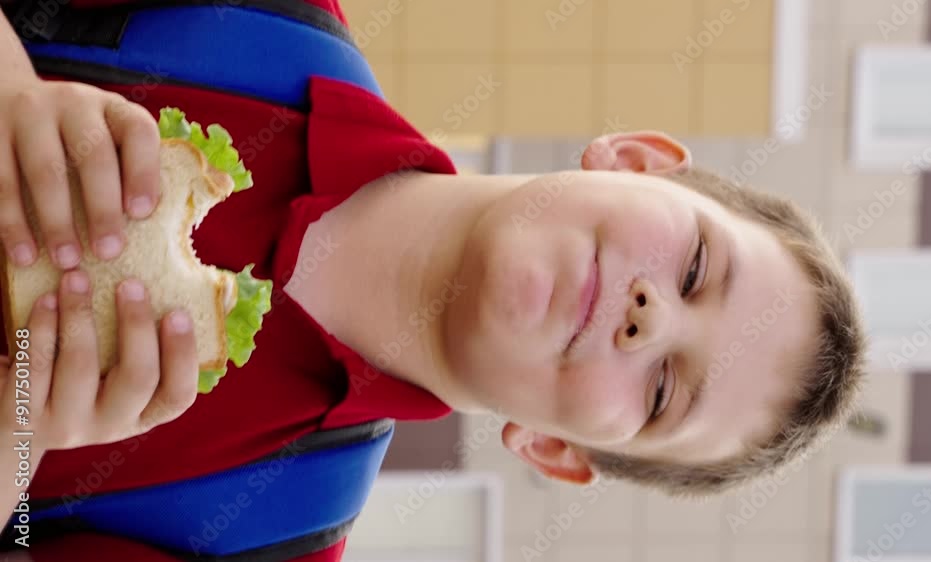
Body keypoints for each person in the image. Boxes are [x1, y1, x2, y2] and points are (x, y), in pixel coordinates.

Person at [0, 0, 867, 559]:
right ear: (636, 161)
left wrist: (17, 434)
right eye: (696, 267)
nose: (651, 319)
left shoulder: (263, 538)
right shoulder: (264, 17)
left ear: (554, 449)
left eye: (663, 392)